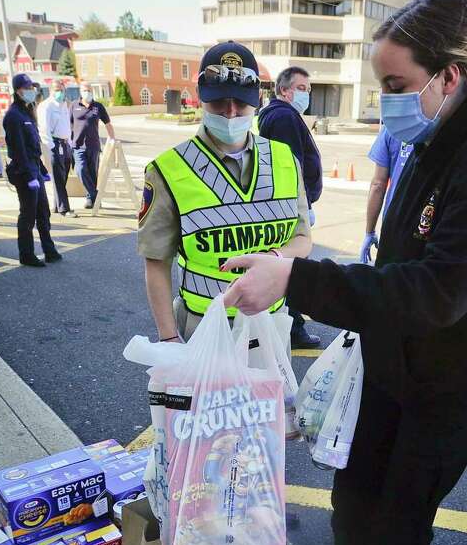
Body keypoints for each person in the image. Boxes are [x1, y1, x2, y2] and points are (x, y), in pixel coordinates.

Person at [221, 0, 467, 545]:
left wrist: (297, 277)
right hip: (394, 369)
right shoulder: (431, 137)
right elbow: (400, 261)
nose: (386, 98)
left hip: (445, 385)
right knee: (353, 503)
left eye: (396, 83)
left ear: (450, 76)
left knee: (399, 530)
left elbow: (437, 292)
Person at [139, 41, 312, 343]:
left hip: (269, 328)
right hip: (201, 330)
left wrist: (274, 257)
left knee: (269, 393)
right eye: (218, 101)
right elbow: (156, 261)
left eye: (240, 101)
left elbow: (302, 238)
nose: (230, 112)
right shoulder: (168, 170)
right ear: (200, 97)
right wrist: (168, 337)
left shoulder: (285, 160)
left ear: (258, 97)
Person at [257, 65, 323, 349]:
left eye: (308, 89)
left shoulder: (283, 115)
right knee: (292, 268)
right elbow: (290, 168)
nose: (307, 94)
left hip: (283, 207)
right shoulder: (284, 118)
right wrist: (301, 208)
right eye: (301, 88)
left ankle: (285, 325)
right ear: (284, 90)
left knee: (285, 266)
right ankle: (294, 330)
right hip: (289, 209)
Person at [3, 73, 60, 267]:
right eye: (27, 88)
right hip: (23, 171)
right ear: (18, 90)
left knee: (43, 211)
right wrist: (29, 176)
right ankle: (26, 254)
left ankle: (49, 249)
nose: (31, 91)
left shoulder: (28, 111)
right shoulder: (13, 115)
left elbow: (34, 145)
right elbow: (19, 149)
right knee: (28, 214)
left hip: (34, 167)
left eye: (32, 88)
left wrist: (41, 169)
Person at [361, 126, 413, 263]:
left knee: (389, 278)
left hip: (394, 223)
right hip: (429, 223)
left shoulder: (392, 127)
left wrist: (370, 232)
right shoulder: (440, 123)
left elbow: (378, 184)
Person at [70, 82, 116, 209]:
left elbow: (108, 124)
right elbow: (68, 124)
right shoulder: (74, 105)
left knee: (92, 173)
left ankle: (90, 199)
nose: (87, 92)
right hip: (78, 146)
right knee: (80, 169)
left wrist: (113, 140)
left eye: (89, 90)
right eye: (85, 90)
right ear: (80, 91)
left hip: (93, 146)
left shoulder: (98, 106)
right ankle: (95, 194)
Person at [40, 78, 75, 217]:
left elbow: (67, 125)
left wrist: (70, 143)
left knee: (63, 176)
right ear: (51, 91)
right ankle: (64, 208)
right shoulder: (46, 106)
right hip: (55, 144)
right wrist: (51, 146)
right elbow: (44, 128)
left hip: (65, 144)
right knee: (59, 178)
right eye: (57, 90)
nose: (60, 92)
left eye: (62, 90)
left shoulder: (63, 105)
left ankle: (56, 205)